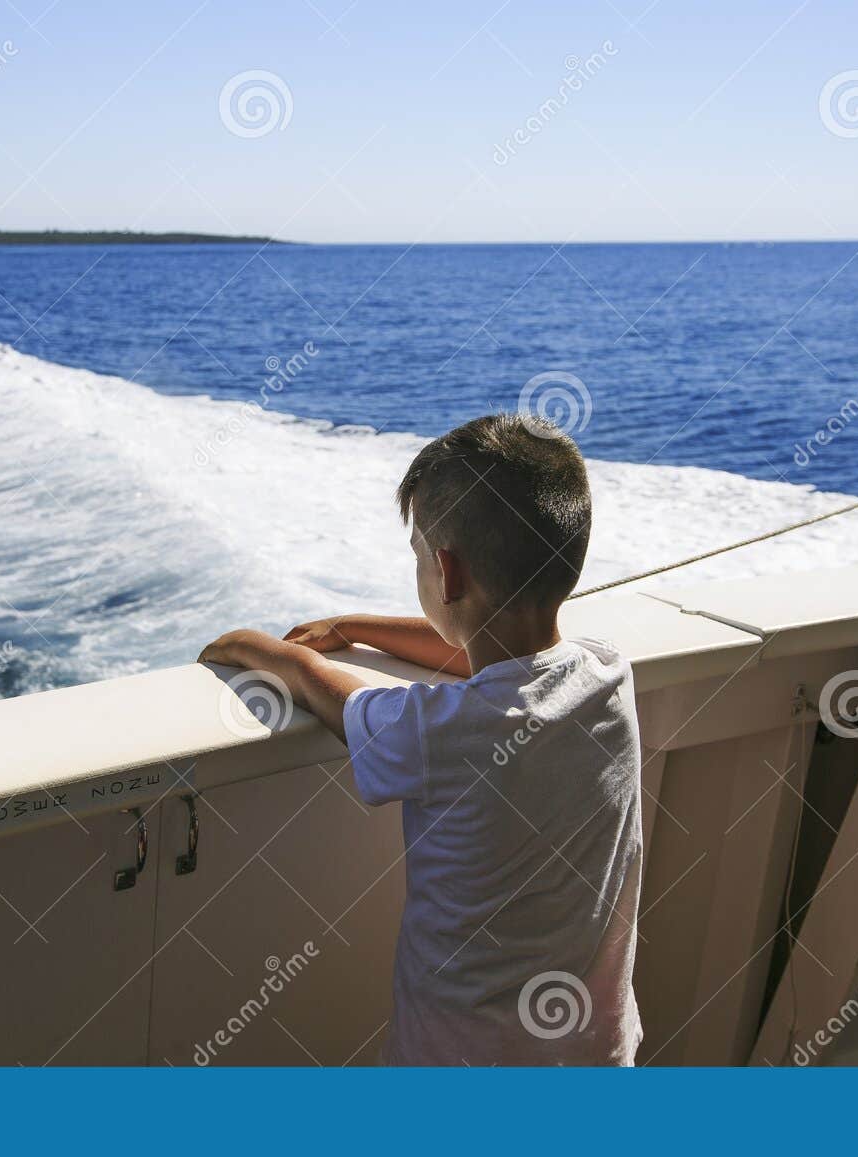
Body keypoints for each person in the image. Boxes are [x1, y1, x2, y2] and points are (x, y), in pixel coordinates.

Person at [197, 413, 642, 1065]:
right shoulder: (608, 671)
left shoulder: (443, 731)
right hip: (594, 1056)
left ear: (445, 572)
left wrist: (244, 643)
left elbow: (322, 687)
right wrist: (356, 625)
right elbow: (493, 657)